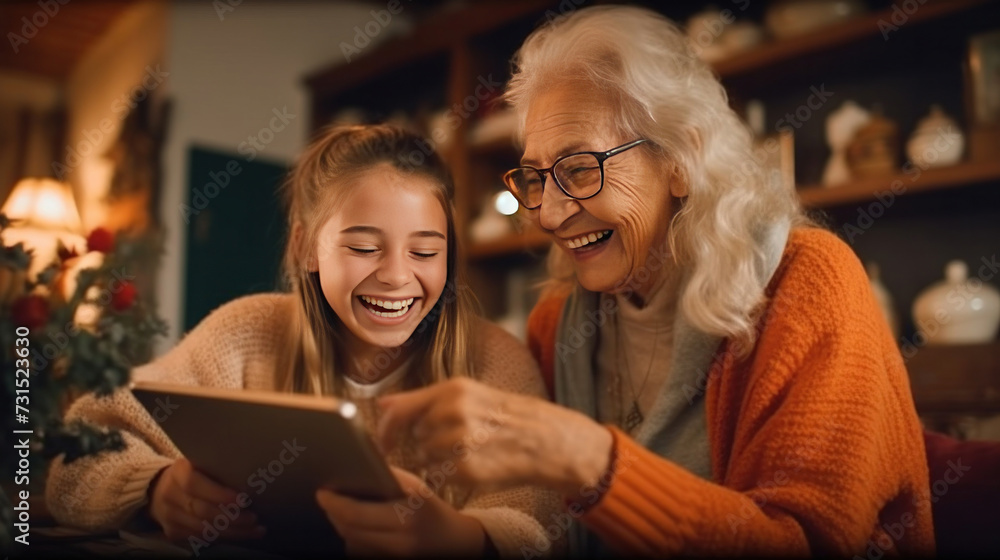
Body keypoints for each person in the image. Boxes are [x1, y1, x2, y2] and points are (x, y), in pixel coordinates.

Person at [375, 5, 936, 558]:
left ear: (681, 161)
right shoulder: (559, 322)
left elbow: (808, 542)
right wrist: (458, 535)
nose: (547, 213)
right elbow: (551, 529)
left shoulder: (807, 283)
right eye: (536, 177)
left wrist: (588, 460)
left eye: (579, 169)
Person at [45, 124, 561, 557]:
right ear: (305, 247)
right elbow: (75, 457)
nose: (397, 276)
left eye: (425, 253)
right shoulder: (244, 333)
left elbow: (542, 527)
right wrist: (156, 490)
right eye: (364, 247)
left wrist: (460, 538)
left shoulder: (496, 364)